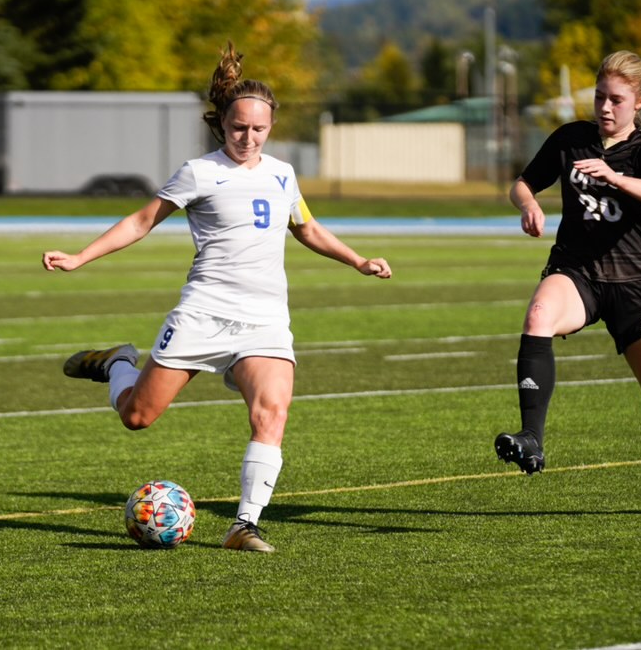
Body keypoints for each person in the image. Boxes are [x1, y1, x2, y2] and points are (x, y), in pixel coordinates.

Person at [42, 42, 393, 552]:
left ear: (270, 128)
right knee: (138, 417)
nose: (248, 137)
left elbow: (308, 229)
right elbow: (142, 221)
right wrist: (79, 257)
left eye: (259, 129)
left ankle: (243, 524)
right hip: (204, 314)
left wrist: (358, 260)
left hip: (265, 318)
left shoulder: (282, 174)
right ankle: (118, 363)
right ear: (222, 124)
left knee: (272, 410)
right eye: (238, 128)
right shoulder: (198, 172)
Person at [493, 50, 641, 517]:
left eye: (616, 100)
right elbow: (521, 183)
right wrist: (528, 205)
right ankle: (532, 440)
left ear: (639, 100)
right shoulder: (571, 139)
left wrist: (618, 177)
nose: (604, 107)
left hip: (634, 284)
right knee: (538, 315)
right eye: (599, 97)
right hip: (577, 271)